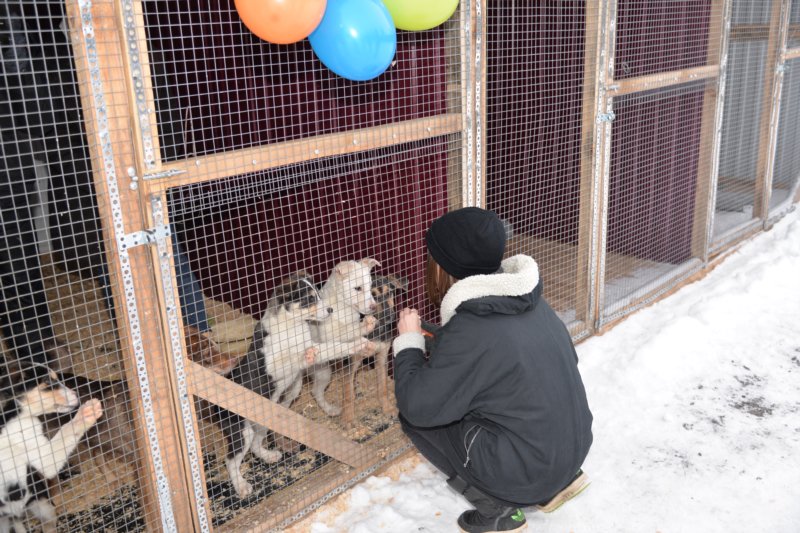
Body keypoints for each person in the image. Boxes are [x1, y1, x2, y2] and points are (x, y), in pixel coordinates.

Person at [392, 207, 593, 533]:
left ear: (443, 266)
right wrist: (438, 338)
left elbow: (418, 405)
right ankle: (558, 483)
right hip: (571, 452)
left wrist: (409, 343)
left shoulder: (471, 329)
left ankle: (497, 509)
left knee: (416, 418)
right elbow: (494, 355)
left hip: (529, 472)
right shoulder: (531, 303)